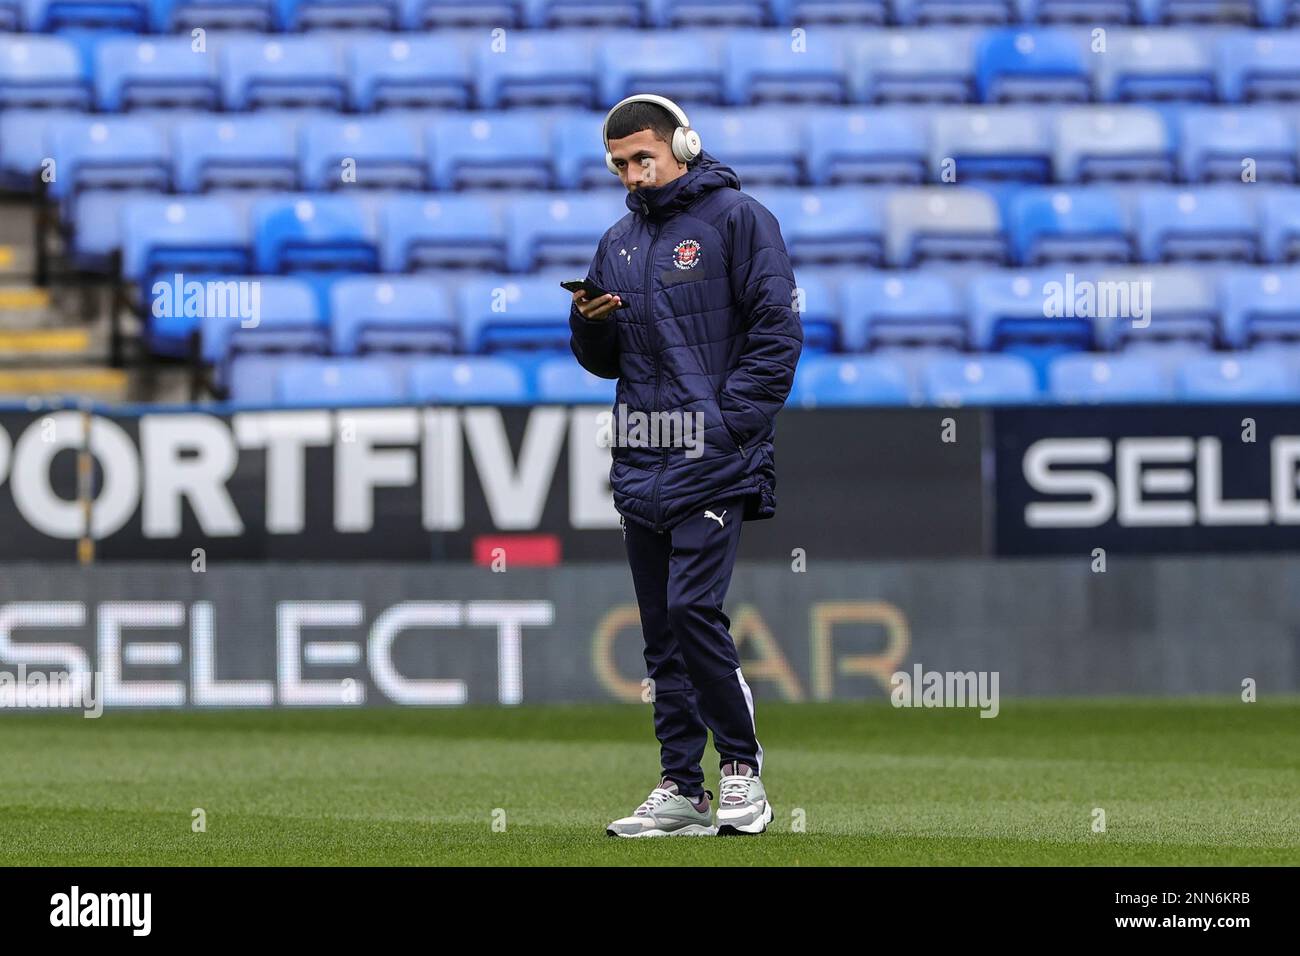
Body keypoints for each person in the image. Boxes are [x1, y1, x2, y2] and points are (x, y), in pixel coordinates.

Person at [568, 93, 803, 837]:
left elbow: (777, 335)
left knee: (691, 610)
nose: (633, 174)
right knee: (660, 632)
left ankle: (742, 772)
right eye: (619, 165)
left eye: (643, 158)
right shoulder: (616, 243)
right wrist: (585, 325)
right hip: (642, 458)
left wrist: (727, 428)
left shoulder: (741, 220)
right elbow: (605, 364)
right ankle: (681, 785)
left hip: (712, 459)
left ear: (685, 146)